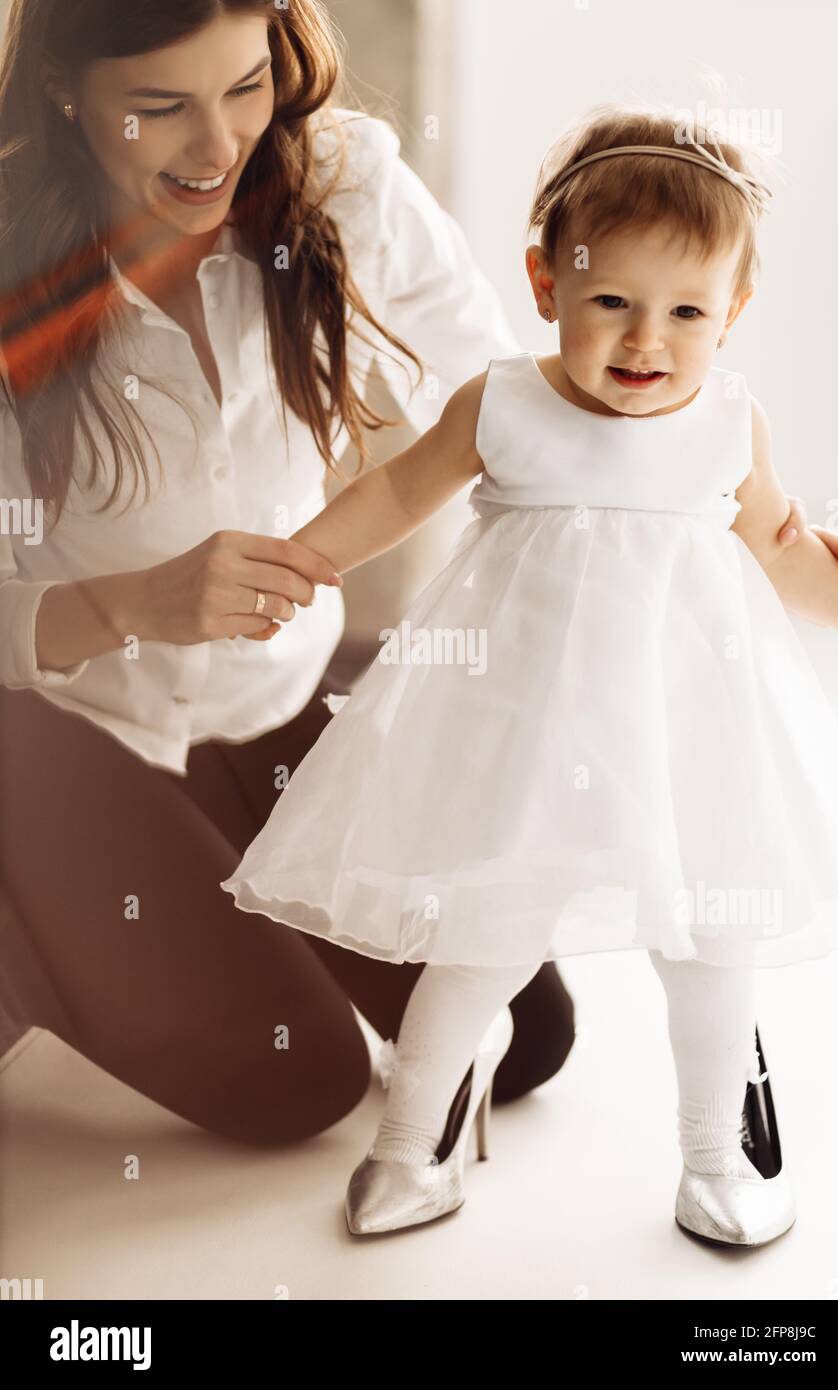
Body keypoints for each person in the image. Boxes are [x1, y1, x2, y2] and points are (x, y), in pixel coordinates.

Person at [221, 104, 838, 1245]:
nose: (641, 341)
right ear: (542, 280)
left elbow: (777, 545)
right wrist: (309, 557)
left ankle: (719, 1141)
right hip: (519, 721)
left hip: (684, 722)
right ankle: (416, 1130)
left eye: (684, 312)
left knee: (707, 936)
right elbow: (396, 491)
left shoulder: (726, 418)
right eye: (607, 299)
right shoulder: (502, 401)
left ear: (734, 316)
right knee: (481, 932)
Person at [0, 0, 583, 1147]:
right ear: (68, 91)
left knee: (523, 1034)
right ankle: (29, 953)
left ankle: (172, 874)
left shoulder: (340, 185)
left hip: (261, 701)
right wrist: (127, 604)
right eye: (159, 108)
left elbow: (500, 405)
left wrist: (711, 493)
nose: (218, 146)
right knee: (300, 1083)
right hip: (52, 730)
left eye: (245, 84)